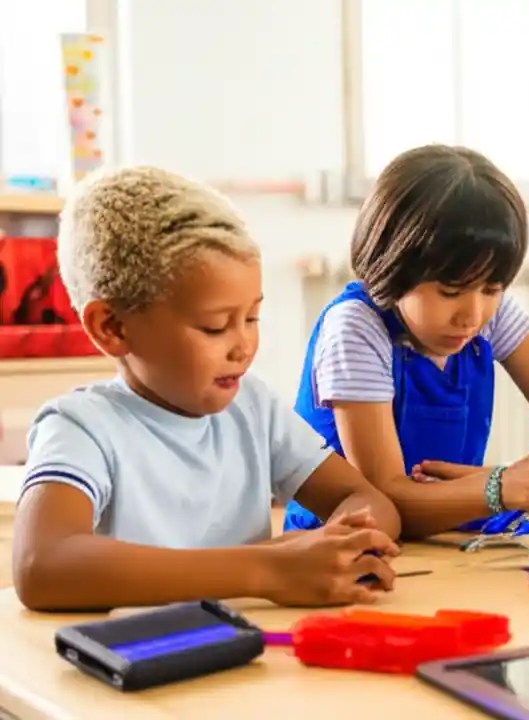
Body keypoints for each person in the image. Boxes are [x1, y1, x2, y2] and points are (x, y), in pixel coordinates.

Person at [12, 166, 402, 611]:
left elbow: (369, 498)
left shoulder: (252, 407)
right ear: (113, 327)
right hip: (133, 663)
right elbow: (42, 565)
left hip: (246, 654)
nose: (244, 345)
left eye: (252, 318)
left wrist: (344, 541)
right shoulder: (82, 427)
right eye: (215, 327)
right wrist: (268, 568)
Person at [283, 145, 529, 538]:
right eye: (450, 291)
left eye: (492, 288)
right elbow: (383, 496)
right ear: (392, 266)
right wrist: (497, 487)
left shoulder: (486, 311)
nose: (473, 314)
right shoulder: (356, 327)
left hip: (446, 534)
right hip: (341, 542)